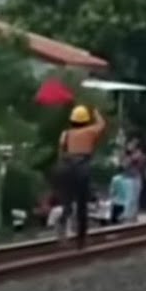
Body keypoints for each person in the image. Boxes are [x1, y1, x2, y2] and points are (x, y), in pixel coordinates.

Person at [54, 105, 106, 248]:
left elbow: (61, 152)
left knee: (67, 202)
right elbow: (102, 124)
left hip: (65, 167)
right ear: (86, 121)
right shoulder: (90, 131)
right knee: (82, 204)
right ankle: (81, 239)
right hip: (81, 167)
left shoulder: (66, 133)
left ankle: (62, 225)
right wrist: (95, 111)